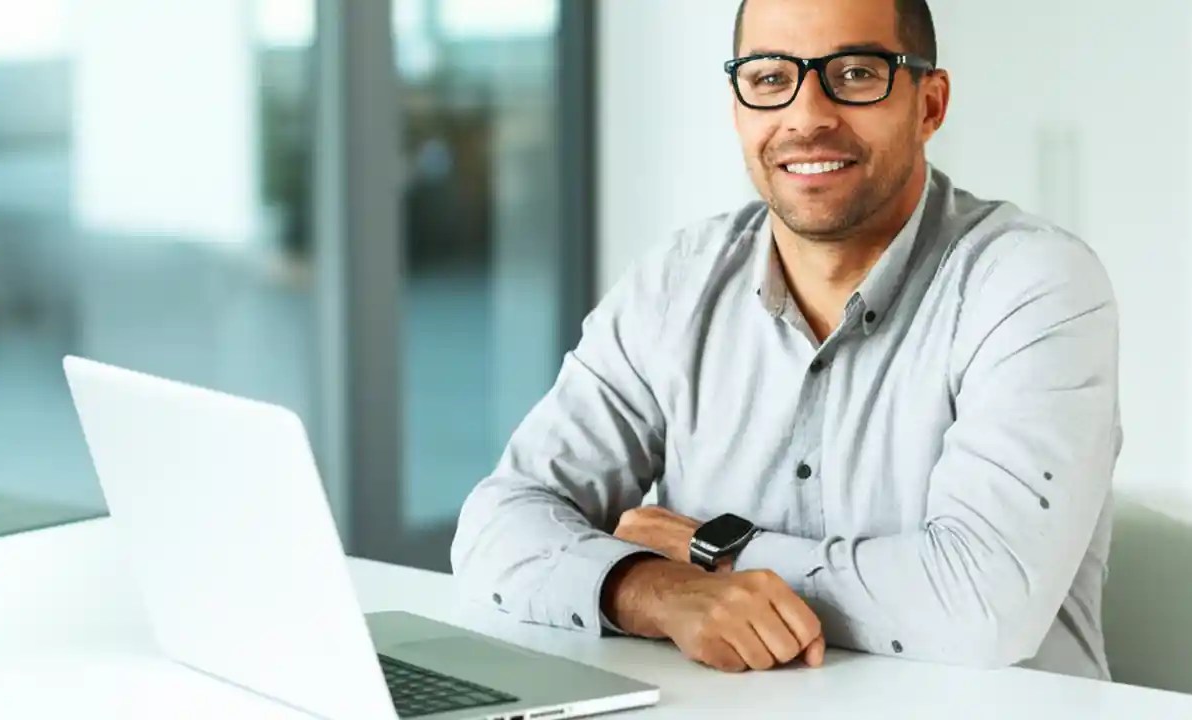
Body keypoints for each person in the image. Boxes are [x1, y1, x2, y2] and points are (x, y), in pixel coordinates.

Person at [452, 0, 1120, 679]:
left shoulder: (1031, 284)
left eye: (856, 73)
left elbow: (982, 606)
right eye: (770, 79)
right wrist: (650, 587)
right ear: (739, 107)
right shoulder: (677, 282)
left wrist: (712, 552)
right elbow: (497, 525)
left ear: (930, 104)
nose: (807, 117)